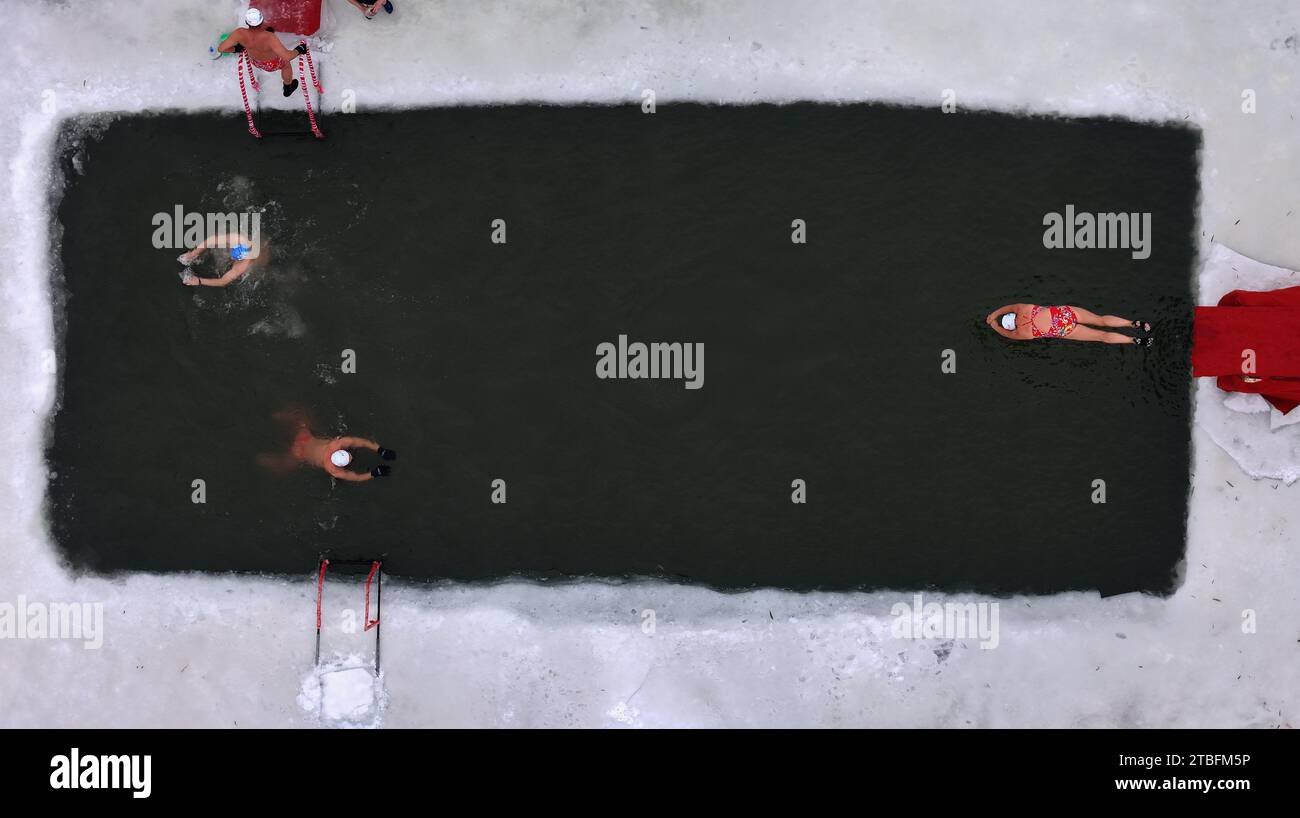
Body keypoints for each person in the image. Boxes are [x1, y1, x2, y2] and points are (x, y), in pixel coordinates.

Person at [257, 410, 397, 482]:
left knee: (300, 418)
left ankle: (277, 416)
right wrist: (376, 473)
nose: (351, 455)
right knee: (283, 465)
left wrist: (381, 450)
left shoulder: (336, 444)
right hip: (300, 454)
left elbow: (359, 442)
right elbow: (357, 477)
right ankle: (262, 460)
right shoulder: (332, 469)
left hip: (304, 438)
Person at [218, 8, 309, 97]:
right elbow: (287, 56)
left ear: (246, 22)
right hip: (273, 64)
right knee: (286, 66)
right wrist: (299, 50)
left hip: (255, 61)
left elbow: (221, 49)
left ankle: (287, 86)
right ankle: (288, 87)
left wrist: (236, 49)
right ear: (261, 21)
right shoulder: (269, 37)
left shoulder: (239, 33)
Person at [985, 303, 1152, 345]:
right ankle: (1132, 323)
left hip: (1062, 329)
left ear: (1012, 326)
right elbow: (1009, 307)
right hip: (1063, 313)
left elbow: (1006, 334)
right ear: (1012, 315)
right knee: (1100, 320)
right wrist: (994, 314)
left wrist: (994, 326)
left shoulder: (1023, 332)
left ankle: (1133, 341)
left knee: (1101, 336)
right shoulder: (1023, 309)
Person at [176, 231, 265, 287]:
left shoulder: (244, 265)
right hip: (261, 239)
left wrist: (199, 281)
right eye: (232, 253)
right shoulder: (238, 238)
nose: (231, 257)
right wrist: (193, 253)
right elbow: (212, 240)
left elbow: (223, 281)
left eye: (235, 258)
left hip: (261, 256)